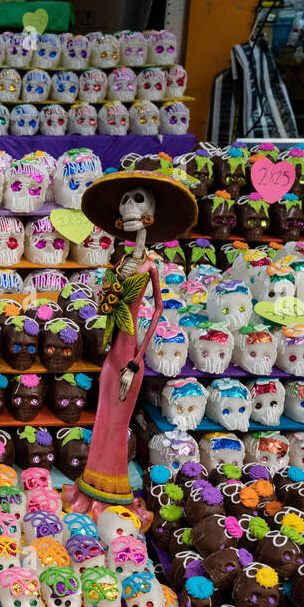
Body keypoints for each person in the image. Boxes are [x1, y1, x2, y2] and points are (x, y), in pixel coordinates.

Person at [63, 169, 199, 518]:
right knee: (103, 417)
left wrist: (138, 360)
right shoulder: (121, 262)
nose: (128, 209)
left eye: (136, 201)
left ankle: (113, 492)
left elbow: (158, 311)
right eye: (125, 201)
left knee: (118, 421)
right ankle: (91, 489)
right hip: (113, 355)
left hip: (130, 356)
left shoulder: (150, 265)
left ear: (149, 215)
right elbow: (107, 304)